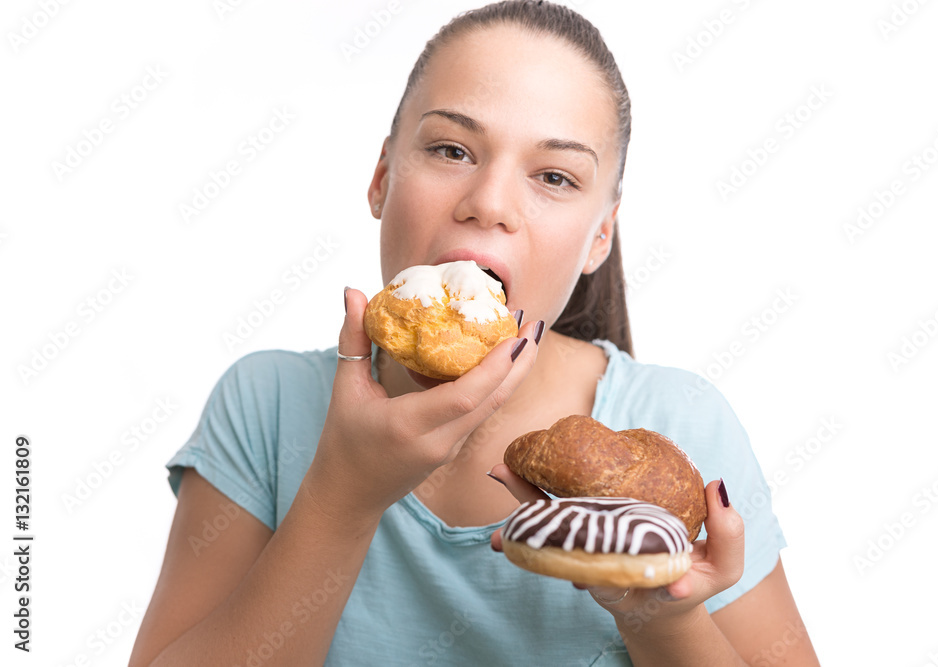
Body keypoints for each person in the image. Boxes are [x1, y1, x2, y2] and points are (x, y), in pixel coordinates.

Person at [130, 2, 820, 665]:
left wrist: (661, 613)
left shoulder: (677, 425)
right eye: (452, 149)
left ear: (598, 236)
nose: (488, 202)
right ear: (381, 179)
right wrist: (342, 495)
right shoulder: (265, 405)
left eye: (554, 176)